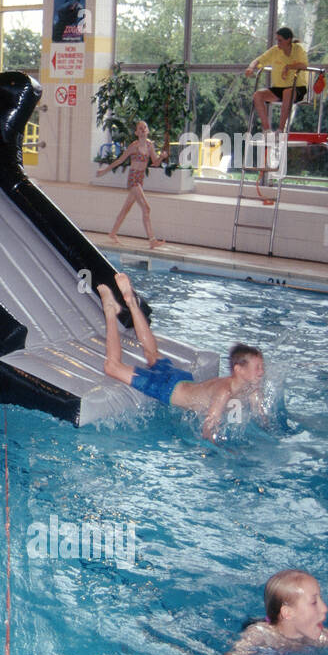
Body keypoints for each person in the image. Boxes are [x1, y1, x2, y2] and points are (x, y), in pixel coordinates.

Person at [97, 272, 264, 440]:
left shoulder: (250, 389)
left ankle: (132, 302)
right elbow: (209, 427)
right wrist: (216, 450)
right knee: (112, 367)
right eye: (257, 367)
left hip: (181, 380)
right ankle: (110, 309)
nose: (261, 372)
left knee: (152, 354)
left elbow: (262, 420)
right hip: (167, 388)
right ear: (239, 370)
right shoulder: (224, 392)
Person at [95, 120, 166, 248]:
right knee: (146, 208)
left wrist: (161, 157)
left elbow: (155, 162)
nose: (143, 129)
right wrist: (104, 170)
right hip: (133, 179)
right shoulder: (134, 146)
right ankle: (152, 240)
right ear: (137, 132)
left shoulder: (150, 146)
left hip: (140, 179)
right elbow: (120, 160)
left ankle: (112, 233)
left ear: (148, 130)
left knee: (126, 209)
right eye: (140, 128)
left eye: (145, 127)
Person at [246, 26, 309, 135]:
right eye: (277, 40)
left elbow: (303, 65)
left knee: (287, 92)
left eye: (280, 40)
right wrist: (251, 68)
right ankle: (267, 130)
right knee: (258, 95)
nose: (278, 43)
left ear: (288, 40)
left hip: (297, 88)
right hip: (278, 89)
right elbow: (259, 60)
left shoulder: (298, 48)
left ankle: (280, 130)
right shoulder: (275, 50)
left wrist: (288, 66)